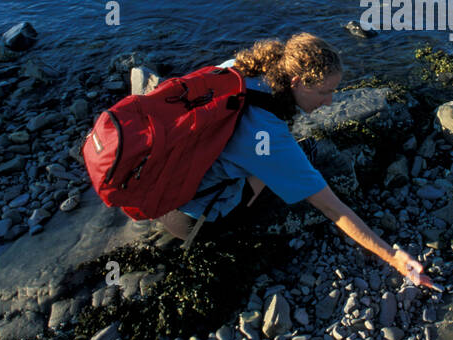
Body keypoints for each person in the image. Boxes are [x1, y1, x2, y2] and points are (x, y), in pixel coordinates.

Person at [154, 32, 434, 288]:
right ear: (297, 82)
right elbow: (332, 209)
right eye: (325, 91)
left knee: (269, 157)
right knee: (280, 165)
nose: (330, 101)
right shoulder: (268, 134)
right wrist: (394, 257)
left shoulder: (237, 69)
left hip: (164, 188)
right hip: (192, 221)